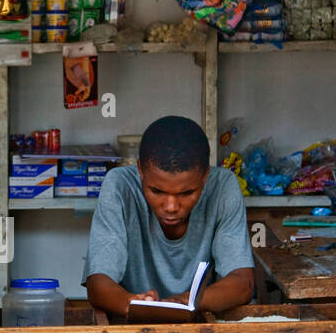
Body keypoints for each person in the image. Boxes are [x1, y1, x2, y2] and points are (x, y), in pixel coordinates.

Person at [84, 115, 254, 320]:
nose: (171, 207)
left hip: (200, 327)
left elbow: (243, 284)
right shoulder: (119, 186)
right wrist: (135, 305)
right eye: (157, 191)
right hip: (131, 326)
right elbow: (98, 285)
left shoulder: (223, 186)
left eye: (186, 193)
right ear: (140, 171)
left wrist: (181, 302)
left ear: (205, 176)